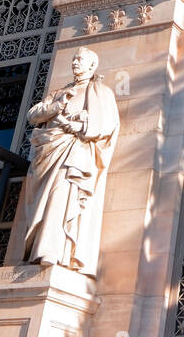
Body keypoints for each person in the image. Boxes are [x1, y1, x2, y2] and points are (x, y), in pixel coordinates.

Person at [23, 48, 119, 278]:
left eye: (80, 60)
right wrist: (55, 107)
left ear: (92, 66)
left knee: (63, 196)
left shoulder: (101, 92)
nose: (75, 63)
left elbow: (108, 123)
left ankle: (56, 252)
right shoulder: (59, 92)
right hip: (49, 151)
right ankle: (41, 250)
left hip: (75, 154)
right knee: (46, 202)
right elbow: (33, 115)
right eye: (74, 59)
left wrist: (83, 127)